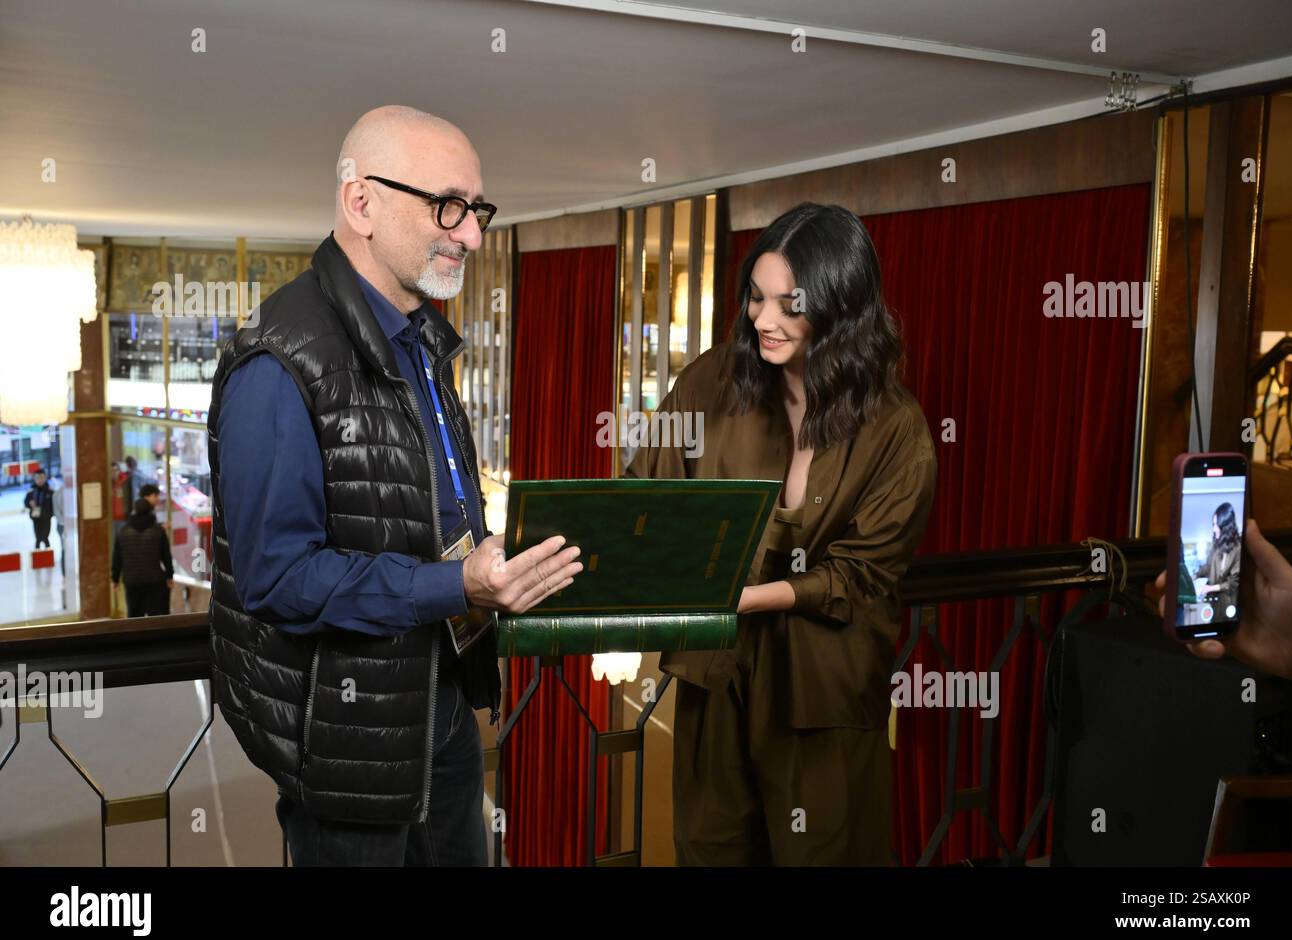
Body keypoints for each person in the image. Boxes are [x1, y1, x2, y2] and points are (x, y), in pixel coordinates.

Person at [208, 106, 583, 867]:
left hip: (437, 707)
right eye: (447, 205)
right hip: (343, 744)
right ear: (361, 203)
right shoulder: (280, 358)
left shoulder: (420, 337)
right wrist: (456, 584)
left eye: (477, 210)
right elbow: (277, 578)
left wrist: (484, 567)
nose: (472, 234)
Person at [620, 203, 937, 865]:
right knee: (709, 849)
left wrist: (748, 598)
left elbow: (862, 574)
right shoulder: (708, 383)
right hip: (714, 671)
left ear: (840, 304)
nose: (762, 320)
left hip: (823, 687)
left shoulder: (897, 429)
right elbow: (645, 497)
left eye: (787, 304)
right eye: (754, 298)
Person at [1157, 519, 1292, 685]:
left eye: (1216, 523)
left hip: (1227, 601)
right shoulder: (1216, 549)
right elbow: (1207, 568)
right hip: (1218, 605)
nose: (1213, 528)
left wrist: (1211, 588)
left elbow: (1232, 582)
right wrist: (1193, 575)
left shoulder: (1234, 551)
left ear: (1225, 525)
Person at [111, 488, 173, 617]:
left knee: (134, 617)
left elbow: (117, 558)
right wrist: (169, 576)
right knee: (154, 617)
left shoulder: (123, 531)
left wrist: (115, 579)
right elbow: (166, 556)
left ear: (134, 511)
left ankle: (136, 637)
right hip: (154, 580)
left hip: (131, 581)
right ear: (150, 510)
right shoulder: (158, 530)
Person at [23, 469, 55, 549]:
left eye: (42, 478)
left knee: (45, 537)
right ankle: (37, 554)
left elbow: (54, 505)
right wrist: (30, 504)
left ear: (45, 478)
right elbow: (26, 503)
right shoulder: (31, 492)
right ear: (34, 479)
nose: (40, 480)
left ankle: (48, 555)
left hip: (46, 518)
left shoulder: (50, 492)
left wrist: (50, 513)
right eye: (37, 478)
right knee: (38, 537)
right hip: (36, 518)